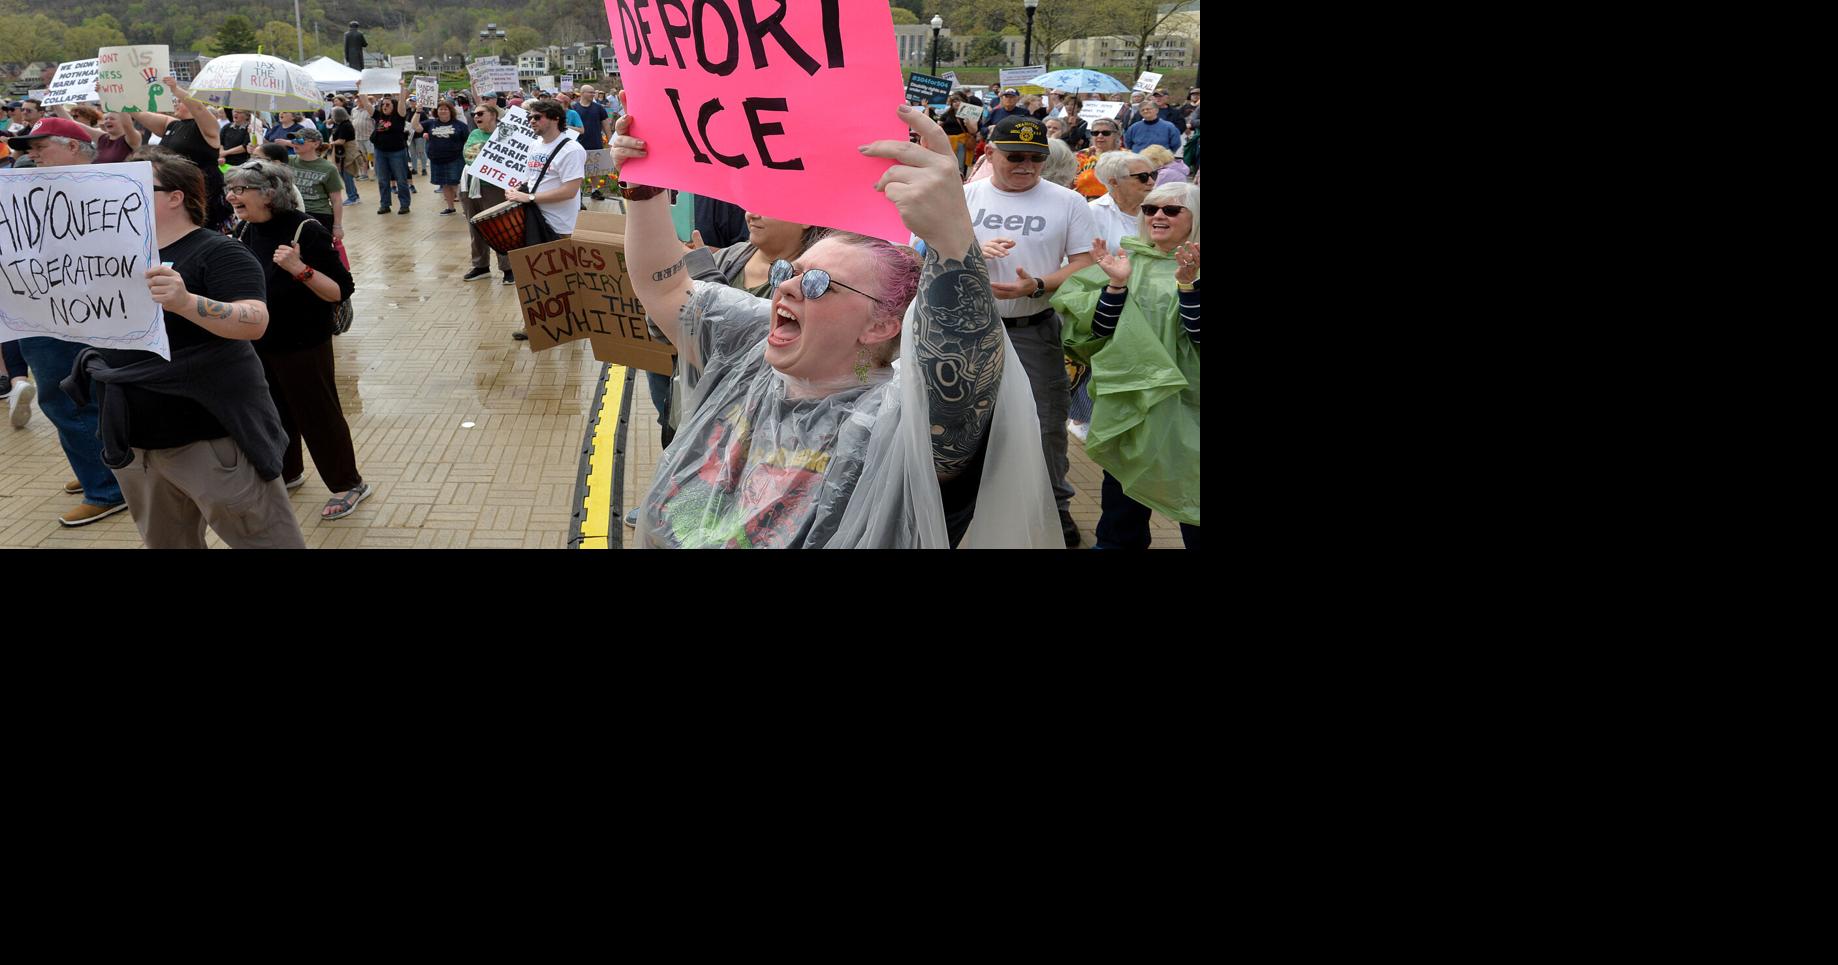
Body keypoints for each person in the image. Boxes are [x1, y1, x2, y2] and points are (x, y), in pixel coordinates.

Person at [613, 96, 1058, 548]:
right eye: (790, 271)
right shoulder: (749, 351)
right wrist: (642, 184)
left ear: (882, 325)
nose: (784, 287)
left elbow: (961, 380)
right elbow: (666, 288)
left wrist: (950, 234)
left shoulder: (894, 424)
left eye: (819, 283)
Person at [57, 150, 305, 547]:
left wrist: (186, 302)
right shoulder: (107, 256)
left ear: (175, 197)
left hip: (209, 436)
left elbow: (255, 320)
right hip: (135, 441)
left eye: (135, 187)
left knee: (264, 540)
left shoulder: (218, 251)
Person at [963, 114, 1097, 547]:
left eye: (1036, 158)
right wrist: (969, 251)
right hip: (969, 329)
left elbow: (1083, 263)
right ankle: (968, 503)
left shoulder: (1067, 201)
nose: (1026, 166)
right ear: (989, 152)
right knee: (965, 420)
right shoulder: (964, 197)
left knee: (1047, 421)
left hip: (1032, 325)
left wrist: (1037, 284)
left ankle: (1055, 506)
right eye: (1015, 156)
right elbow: (925, 253)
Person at [1053, 182, 1200, 549]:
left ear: (1193, 218)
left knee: (1190, 487)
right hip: (1128, 399)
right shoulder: (1128, 260)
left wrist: (1187, 287)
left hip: (1185, 402)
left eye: (1171, 210)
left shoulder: (1194, 268)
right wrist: (1116, 286)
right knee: (1122, 489)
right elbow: (1099, 330)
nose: (1158, 216)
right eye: (1150, 210)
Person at [224, 162, 368, 522]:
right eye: (232, 189)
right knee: (273, 411)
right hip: (260, 341)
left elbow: (338, 291)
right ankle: (289, 472)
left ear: (269, 193)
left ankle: (348, 483)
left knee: (317, 413)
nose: (232, 196)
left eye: (241, 189)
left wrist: (298, 268)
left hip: (304, 341)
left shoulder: (307, 229)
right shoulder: (244, 229)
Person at [4, 118, 128, 525]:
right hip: (43, 312)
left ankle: (106, 488)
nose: (32, 156)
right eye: (30, 149)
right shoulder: (25, 193)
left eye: (41, 148)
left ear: (73, 147)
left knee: (76, 397)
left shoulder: (114, 188)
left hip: (95, 310)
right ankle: (101, 468)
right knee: (72, 396)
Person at [505, 99, 585, 338]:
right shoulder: (534, 145)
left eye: (537, 117)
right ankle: (537, 323)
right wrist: (516, 192)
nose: (531, 122)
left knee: (563, 278)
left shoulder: (572, 149)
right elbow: (533, 179)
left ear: (554, 119)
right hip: (536, 219)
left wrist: (528, 197)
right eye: (529, 117)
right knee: (535, 277)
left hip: (561, 224)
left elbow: (570, 191)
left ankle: (573, 323)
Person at [135, 76, 229, 229]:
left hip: (201, 190)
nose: (176, 103)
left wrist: (175, 89)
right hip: (173, 186)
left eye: (179, 101)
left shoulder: (208, 127)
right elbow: (137, 113)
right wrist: (113, 96)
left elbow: (198, 109)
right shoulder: (171, 124)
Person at [459, 103, 513, 284]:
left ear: (492, 115)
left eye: (480, 113)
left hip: (495, 187)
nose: (476, 116)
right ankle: (481, 265)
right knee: (475, 226)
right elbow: (468, 154)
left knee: (500, 227)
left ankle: (508, 268)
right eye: (474, 114)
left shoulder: (505, 134)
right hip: (471, 186)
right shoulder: (474, 134)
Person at [284, 127, 346, 239]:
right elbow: (264, 160)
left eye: (300, 140)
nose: (295, 143)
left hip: (319, 215)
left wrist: (337, 226)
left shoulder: (328, 168)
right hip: (293, 213)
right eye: (293, 140)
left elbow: (336, 200)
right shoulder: (288, 161)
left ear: (315, 144)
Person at [412, 101, 468, 215]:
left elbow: (467, 141)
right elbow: (416, 127)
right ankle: (450, 208)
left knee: (456, 184)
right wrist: (417, 111)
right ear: (436, 111)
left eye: (445, 109)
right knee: (445, 185)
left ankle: (466, 209)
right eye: (440, 109)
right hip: (437, 160)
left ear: (450, 111)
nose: (443, 111)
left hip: (455, 159)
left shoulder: (460, 125)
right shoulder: (431, 123)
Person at [368, 96, 412, 214]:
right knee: (382, 179)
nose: (384, 106)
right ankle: (385, 204)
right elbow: (367, 105)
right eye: (383, 104)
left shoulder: (399, 116)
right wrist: (360, 89)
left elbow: (402, 102)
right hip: (380, 151)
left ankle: (404, 204)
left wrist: (402, 88)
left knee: (401, 179)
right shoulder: (378, 116)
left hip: (397, 152)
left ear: (394, 106)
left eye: (388, 104)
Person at [1073, 117, 1125, 199]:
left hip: (1117, 204)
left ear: (1117, 135)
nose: (1100, 136)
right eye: (1095, 133)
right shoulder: (1082, 155)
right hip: (1084, 203)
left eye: (1106, 133)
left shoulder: (1127, 157)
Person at [327, 107, 359, 204]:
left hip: (347, 152)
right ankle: (354, 195)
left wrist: (330, 144)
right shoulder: (340, 124)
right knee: (344, 174)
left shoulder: (345, 125)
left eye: (333, 115)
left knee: (347, 174)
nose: (332, 116)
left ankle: (352, 197)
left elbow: (341, 141)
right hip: (341, 152)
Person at [351, 95, 375, 180]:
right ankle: (364, 174)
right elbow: (352, 121)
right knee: (363, 157)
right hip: (358, 137)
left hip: (369, 137)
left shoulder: (370, 109)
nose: (357, 100)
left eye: (360, 99)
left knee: (372, 156)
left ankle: (376, 173)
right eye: (357, 99)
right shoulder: (354, 110)